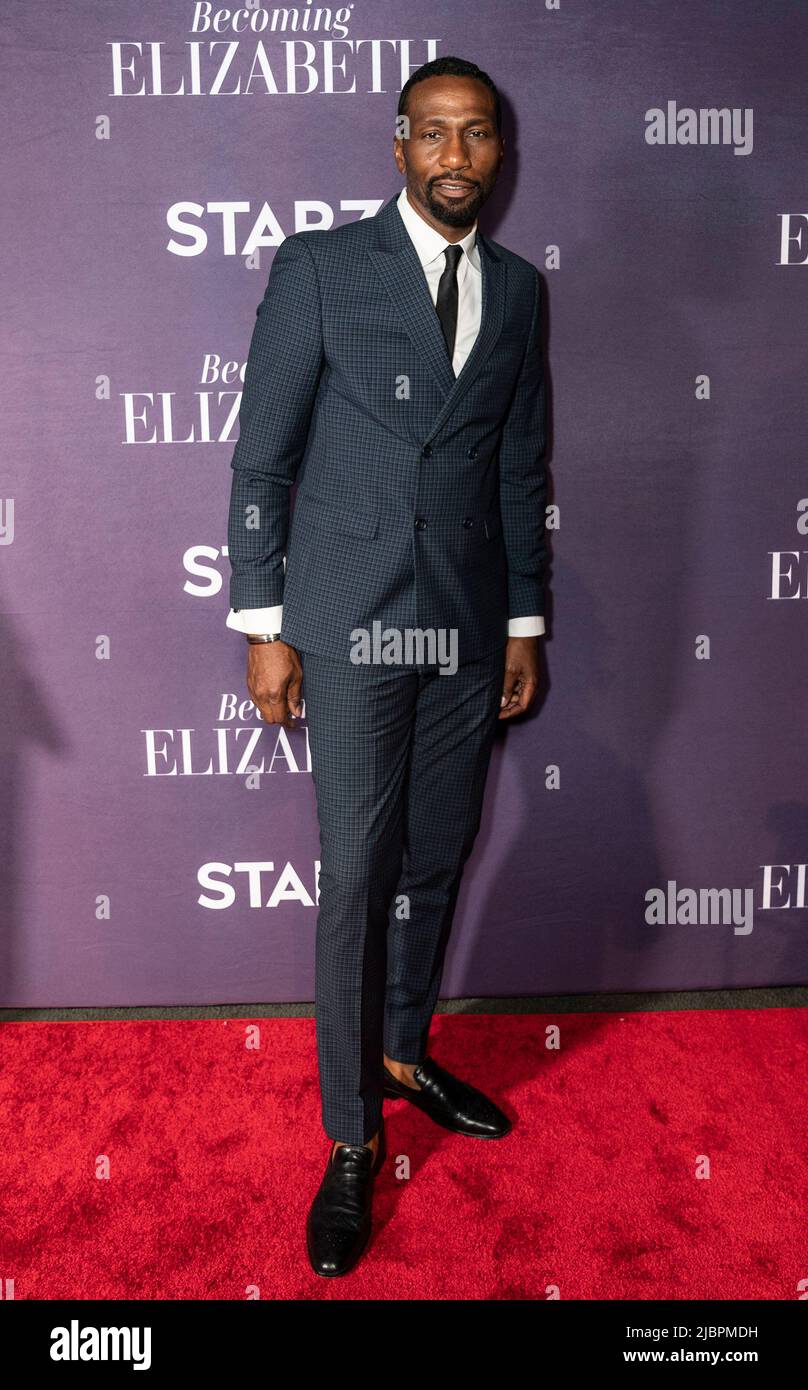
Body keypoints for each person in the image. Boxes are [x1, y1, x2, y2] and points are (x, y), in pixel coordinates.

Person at [225, 55, 548, 1277]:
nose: (457, 156)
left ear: (497, 155)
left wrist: (521, 623)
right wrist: (265, 625)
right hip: (350, 620)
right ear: (398, 146)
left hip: (465, 627)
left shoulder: (517, 291)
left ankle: (407, 1050)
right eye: (436, 135)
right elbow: (262, 459)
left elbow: (521, 466)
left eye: (478, 136)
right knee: (356, 871)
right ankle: (351, 1135)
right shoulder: (320, 268)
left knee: (431, 852)